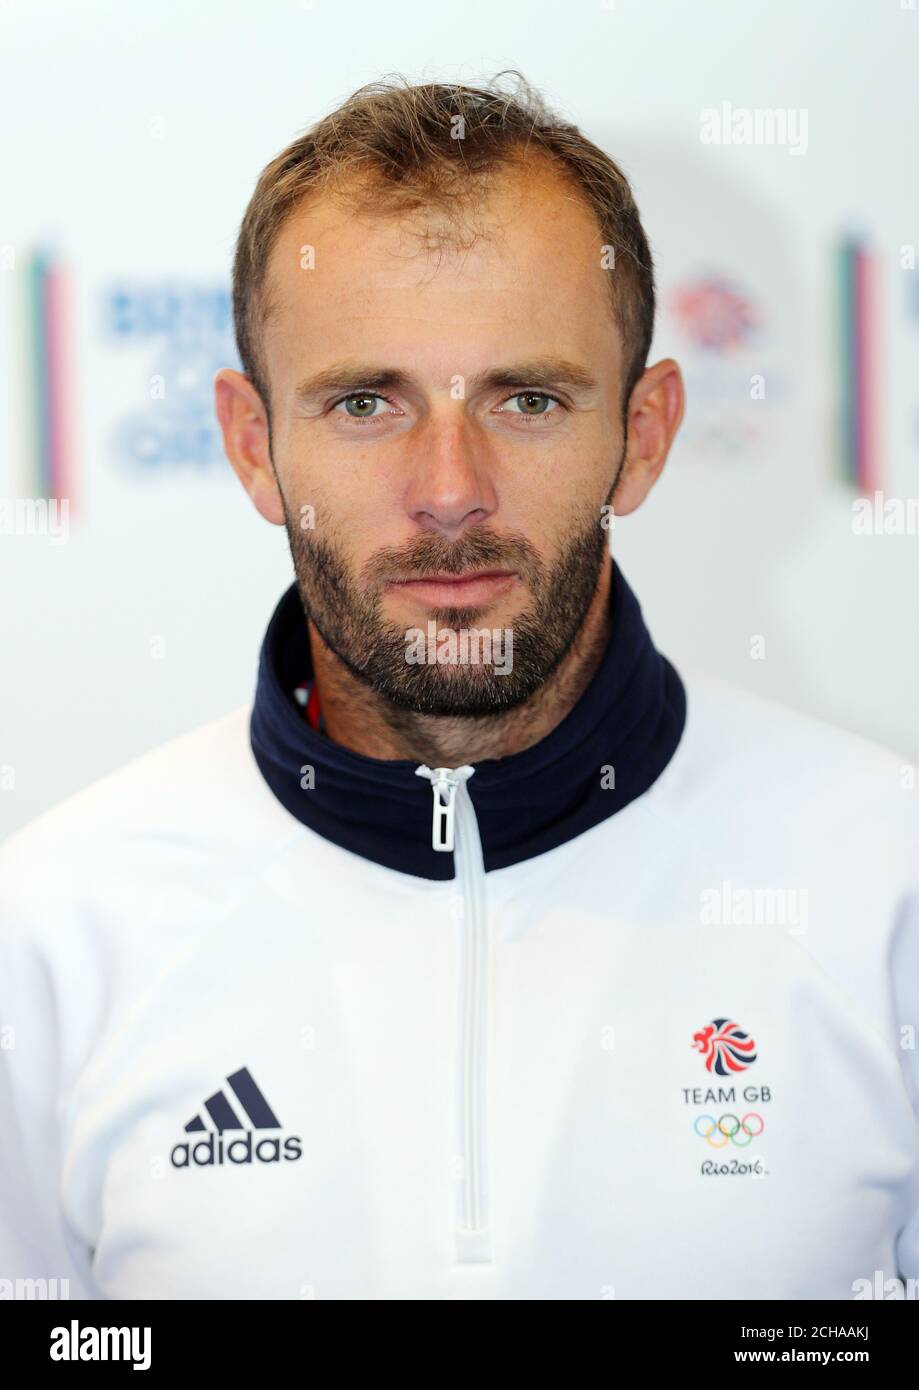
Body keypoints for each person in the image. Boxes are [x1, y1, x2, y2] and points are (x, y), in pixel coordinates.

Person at [1, 74, 917, 1302]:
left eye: (527, 399)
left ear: (641, 437)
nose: (449, 489)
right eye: (366, 402)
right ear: (251, 443)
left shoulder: (885, 886)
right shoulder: (54, 933)